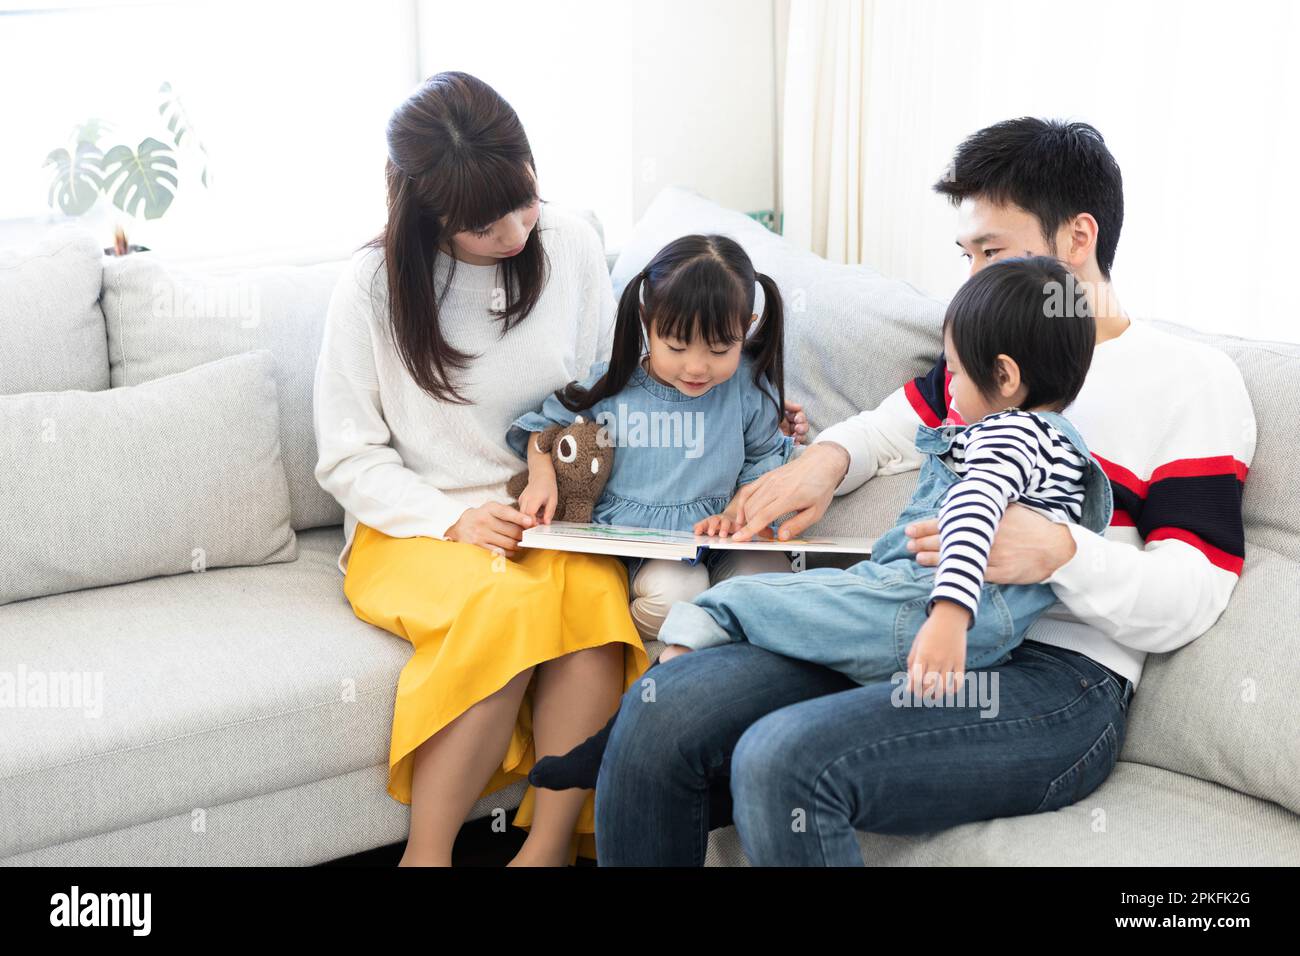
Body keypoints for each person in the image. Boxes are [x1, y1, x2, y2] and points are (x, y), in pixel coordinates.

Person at [590, 117, 1255, 866]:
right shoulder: (983, 351)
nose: (971, 276)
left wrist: (1061, 552)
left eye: (992, 251)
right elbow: (887, 429)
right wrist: (825, 463)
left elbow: (1196, 594)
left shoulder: (1189, 380)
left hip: (1057, 680)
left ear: (1078, 238)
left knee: (786, 761)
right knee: (658, 711)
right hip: (908, 623)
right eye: (966, 253)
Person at [528, 254, 1110, 790]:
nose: (948, 387)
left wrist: (949, 619)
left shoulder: (1005, 436)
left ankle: (621, 738)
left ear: (1005, 378)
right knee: (770, 600)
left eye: (954, 372)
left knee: (732, 602)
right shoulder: (1061, 447)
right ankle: (637, 734)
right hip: (951, 613)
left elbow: (973, 514)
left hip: (924, 606)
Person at [505, 234, 796, 644]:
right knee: (679, 595)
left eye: (719, 349)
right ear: (647, 321)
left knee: (775, 588)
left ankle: (718, 633)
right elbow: (541, 426)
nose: (696, 367)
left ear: (746, 328)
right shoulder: (615, 383)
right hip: (644, 546)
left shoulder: (747, 387)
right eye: (676, 346)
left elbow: (764, 459)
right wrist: (541, 477)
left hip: (725, 535)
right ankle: (659, 631)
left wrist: (734, 512)